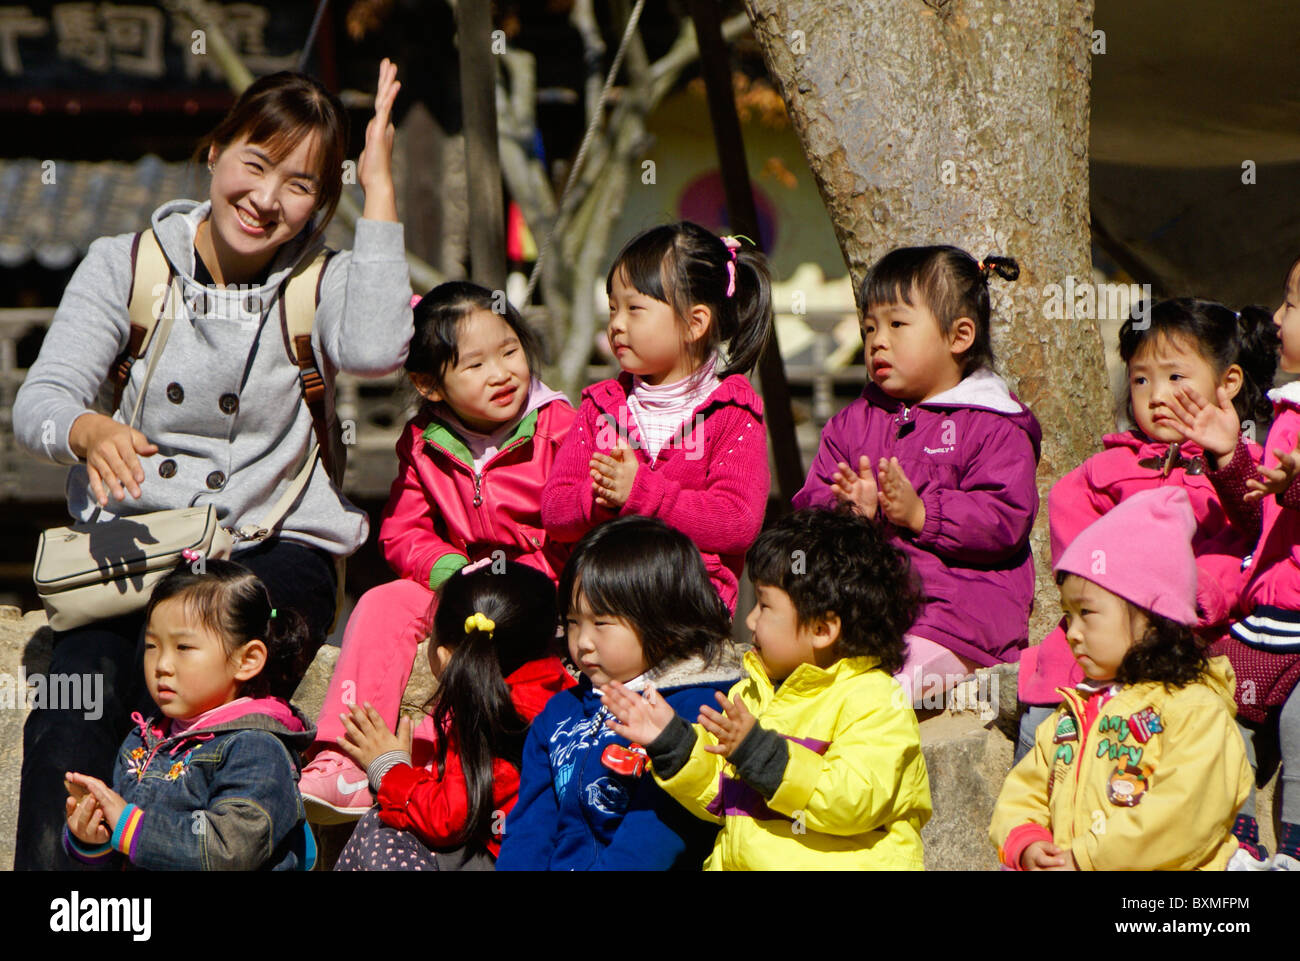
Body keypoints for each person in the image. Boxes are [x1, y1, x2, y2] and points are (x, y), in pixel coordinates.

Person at [13, 63, 413, 869]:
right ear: (214, 152)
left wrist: (378, 189)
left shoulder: (318, 277)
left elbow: (376, 348)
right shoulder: (127, 263)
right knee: (71, 703)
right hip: (137, 545)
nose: (267, 200)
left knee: (216, 704)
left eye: (300, 185)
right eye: (255, 165)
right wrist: (90, 430)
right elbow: (40, 401)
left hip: (270, 549)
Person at [298, 281, 575, 821]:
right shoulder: (423, 441)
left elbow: (577, 529)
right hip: (459, 584)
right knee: (383, 601)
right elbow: (402, 533)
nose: (500, 372)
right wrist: (451, 571)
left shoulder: (560, 428)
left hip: (540, 594)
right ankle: (341, 756)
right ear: (429, 384)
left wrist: (518, 579)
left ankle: (430, 751)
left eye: (510, 351)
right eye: (474, 365)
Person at [1016, 300, 1276, 764]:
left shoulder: (1249, 467)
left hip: (1195, 638)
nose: (1156, 395)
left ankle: (1235, 833)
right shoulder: (1104, 470)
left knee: (1217, 733)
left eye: (1176, 377)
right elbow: (1077, 543)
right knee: (1048, 715)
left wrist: (1225, 459)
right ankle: (1034, 816)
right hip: (1104, 634)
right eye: (1141, 379)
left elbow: (1251, 541)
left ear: (1228, 382)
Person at [602, 508, 932, 869]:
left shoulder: (875, 699)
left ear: (822, 629)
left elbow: (854, 799)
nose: (750, 619)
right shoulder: (753, 693)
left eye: (764, 605)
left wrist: (761, 754)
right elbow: (725, 798)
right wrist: (674, 743)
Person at [793, 246, 1040, 704]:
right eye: (869, 328)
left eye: (897, 325)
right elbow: (810, 507)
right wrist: (850, 515)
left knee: (884, 702)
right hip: (865, 611)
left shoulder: (992, 423)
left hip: (954, 622)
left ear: (959, 336)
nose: (877, 341)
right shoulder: (853, 422)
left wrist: (923, 513)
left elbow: (1004, 516)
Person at [990, 489, 1252, 871]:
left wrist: (1089, 857)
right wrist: (1027, 841)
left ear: (1150, 615)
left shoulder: (1194, 710)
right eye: (1068, 614)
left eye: (1087, 612)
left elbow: (1183, 815)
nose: (1072, 632)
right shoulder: (1074, 712)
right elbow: (1026, 788)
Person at [541, 222, 773, 613]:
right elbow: (555, 509)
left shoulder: (734, 414)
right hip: (605, 601)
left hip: (688, 605)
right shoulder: (600, 407)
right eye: (613, 307)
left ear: (694, 324)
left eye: (634, 309)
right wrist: (601, 499)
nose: (616, 323)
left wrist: (641, 494)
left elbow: (738, 521)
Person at [496, 516, 741, 870]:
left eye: (601, 623)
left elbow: (656, 836)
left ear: (666, 623)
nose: (582, 643)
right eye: (573, 622)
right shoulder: (558, 713)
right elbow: (531, 827)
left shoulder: (692, 712)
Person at [1166, 263, 1300, 870]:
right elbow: (1261, 518)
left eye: (1293, 305)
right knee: (1217, 710)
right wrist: (1229, 454)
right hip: (1264, 619)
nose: (1276, 318)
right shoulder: (1287, 415)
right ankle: (1238, 839)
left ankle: (1294, 848)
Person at [62, 561, 316, 870]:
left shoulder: (256, 749)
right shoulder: (143, 738)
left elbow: (231, 849)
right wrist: (97, 835)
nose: (162, 664)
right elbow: (126, 844)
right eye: (152, 645)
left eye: (183, 647)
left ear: (247, 660)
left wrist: (130, 827)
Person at [330, 561, 574, 870]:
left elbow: (449, 818)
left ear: (445, 657)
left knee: (380, 832)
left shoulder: (496, 714)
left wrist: (389, 770)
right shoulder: (559, 691)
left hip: (507, 857)